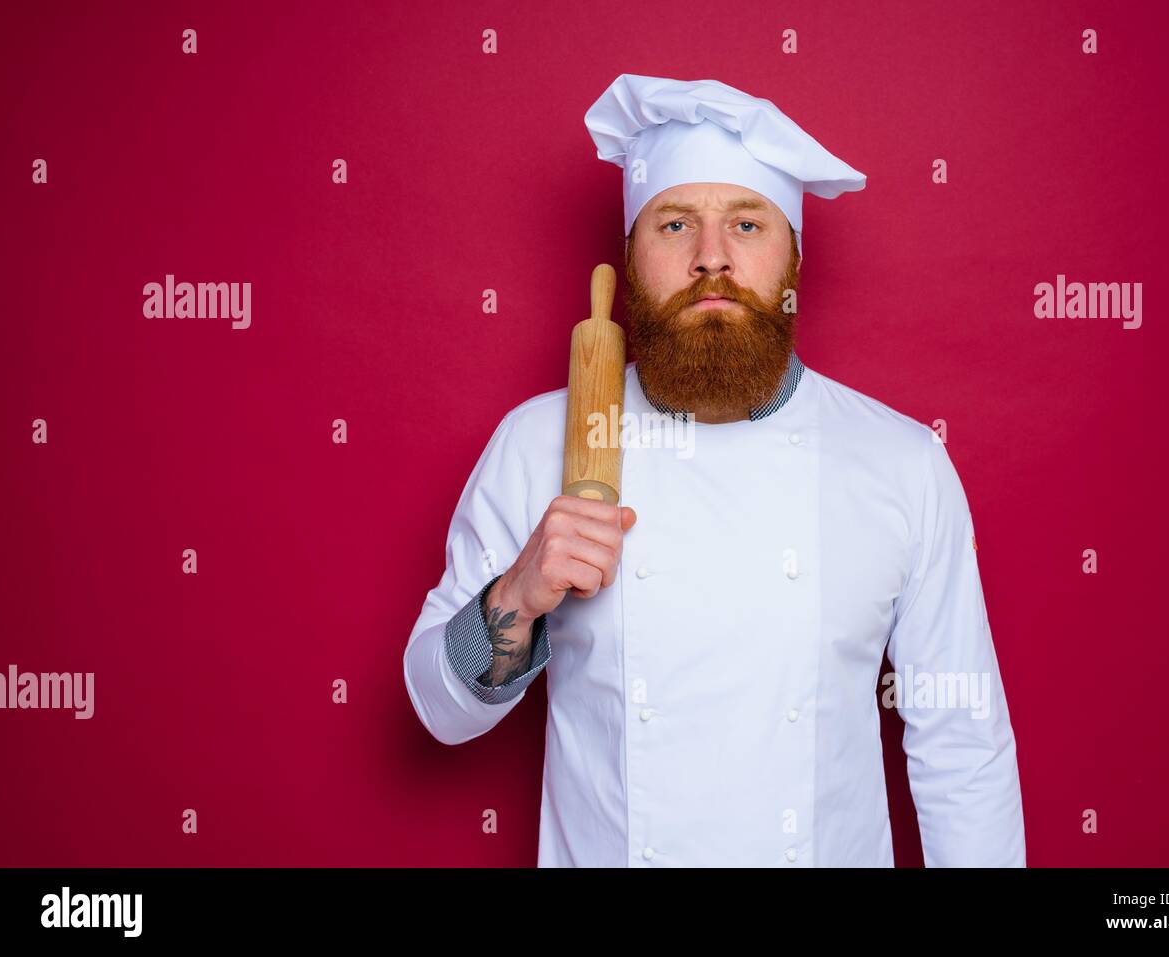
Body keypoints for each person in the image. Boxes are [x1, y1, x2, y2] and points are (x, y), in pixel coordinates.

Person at [404, 73, 1026, 867]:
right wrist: (518, 595)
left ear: (793, 259)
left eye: (745, 222)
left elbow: (962, 746)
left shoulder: (903, 464)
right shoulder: (539, 443)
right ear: (630, 261)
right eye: (673, 224)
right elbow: (436, 709)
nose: (711, 259)